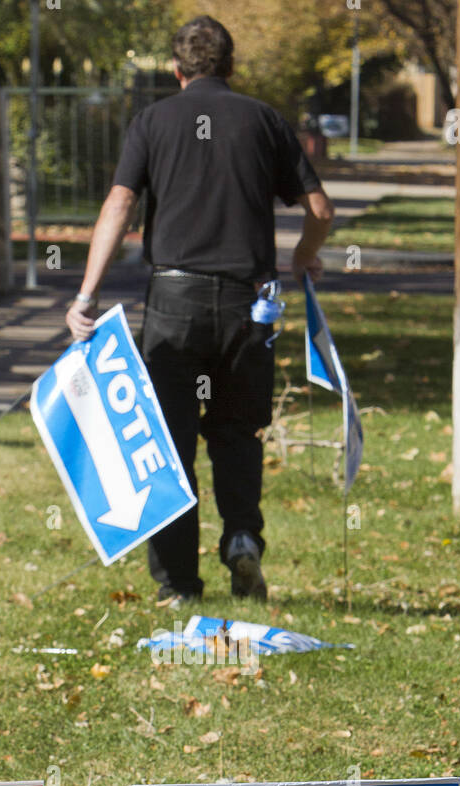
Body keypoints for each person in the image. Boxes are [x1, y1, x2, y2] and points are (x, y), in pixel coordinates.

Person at [65, 14, 335, 603]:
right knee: (238, 433)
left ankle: (179, 586)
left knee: (169, 443)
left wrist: (87, 294)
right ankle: (241, 538)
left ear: (175, 68)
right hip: (247, 305)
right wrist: (302, 259)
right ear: (231, 65)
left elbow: (119, 204)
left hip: (174, 304)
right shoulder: (264, 121)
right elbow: (319, 208)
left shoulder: (151, 122)